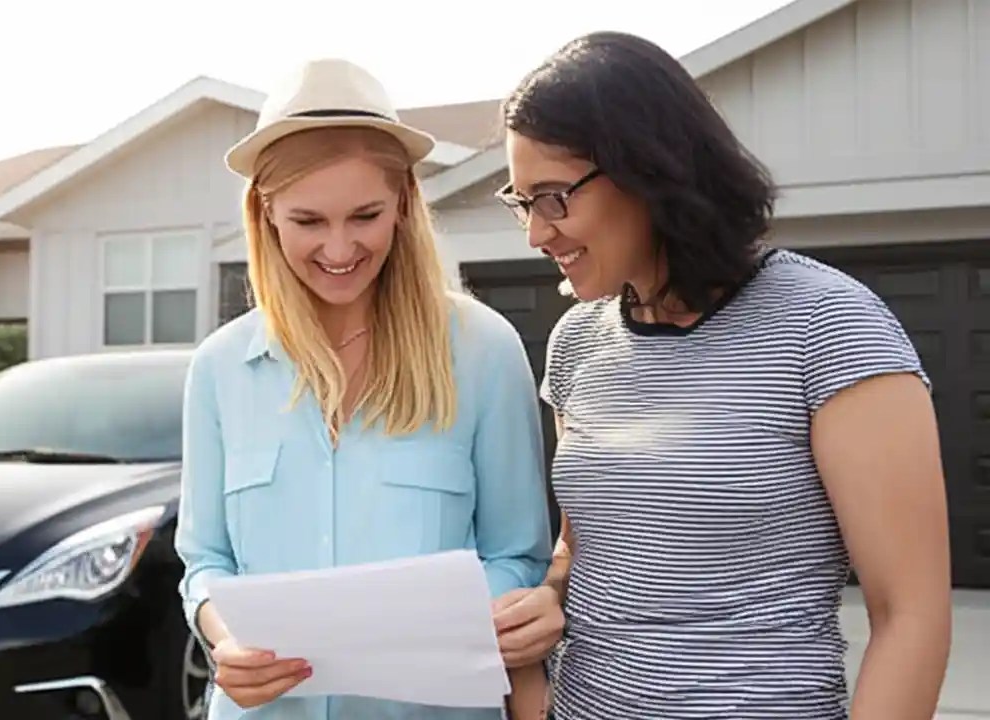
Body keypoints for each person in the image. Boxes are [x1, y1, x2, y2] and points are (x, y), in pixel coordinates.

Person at [494, 32, 953, 719]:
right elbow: (589, 542)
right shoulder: (576, 343)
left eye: (554, 197)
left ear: (649, 169)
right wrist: (548, 597)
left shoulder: (830, 328)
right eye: (521, 201)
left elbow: (911, 617)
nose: (535, 233)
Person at [174, 58, 555, 720]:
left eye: (365, 215)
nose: (340, 247)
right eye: (308, 222)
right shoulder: (218, 369)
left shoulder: (484, 351)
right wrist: (223, 635)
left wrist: (438, 625)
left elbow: (515, 554)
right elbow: (204, 560)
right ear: (264, 217)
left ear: (405, 202)